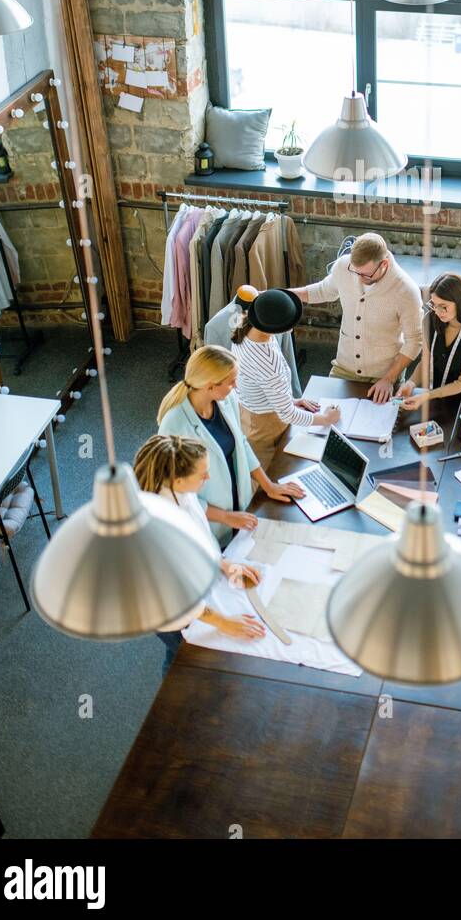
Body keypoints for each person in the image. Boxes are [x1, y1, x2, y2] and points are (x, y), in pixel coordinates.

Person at [133, 434, 266, 676]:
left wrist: (223, 563)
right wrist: (224, 623)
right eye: (202, 475)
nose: (208, 478)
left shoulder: (180, 489)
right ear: (178, 480)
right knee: (186, 660)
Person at [157, 345, 303, 546]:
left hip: (238, 505)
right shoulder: (174, 423)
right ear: (210, 386)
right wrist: (226, 517)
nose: (236, 386)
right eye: (231, 382)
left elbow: (241, 444)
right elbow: (174, 493)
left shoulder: (227, 399)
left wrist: (268, 486)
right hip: (209, 521)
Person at [291, 232, 423, 403]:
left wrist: (389, 379)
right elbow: (322, 291)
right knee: (325, 413)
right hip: (344, 367)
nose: (359, 279)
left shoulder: (406, 290)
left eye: (366, 275)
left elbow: (414, 341)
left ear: (384, 264)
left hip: (384, 375)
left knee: (382, 419)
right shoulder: (344, 266)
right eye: (355, 272)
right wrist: (281, 294)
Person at [230, 285, 341, 470]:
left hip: (248, 413)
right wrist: (325, 419)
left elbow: (258, 383)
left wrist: (288, 400)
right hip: (265, 429)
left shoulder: (244, 325)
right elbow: (287, 414)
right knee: (268, 479)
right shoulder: (269, 361)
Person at [398, 272, 461, 413]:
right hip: (436, 394)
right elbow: (426, 361)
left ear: (460, 302)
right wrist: (411, 383)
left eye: (443, 306)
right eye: (434, 305)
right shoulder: (429, 320)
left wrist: (427, 396)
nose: (437, 311)